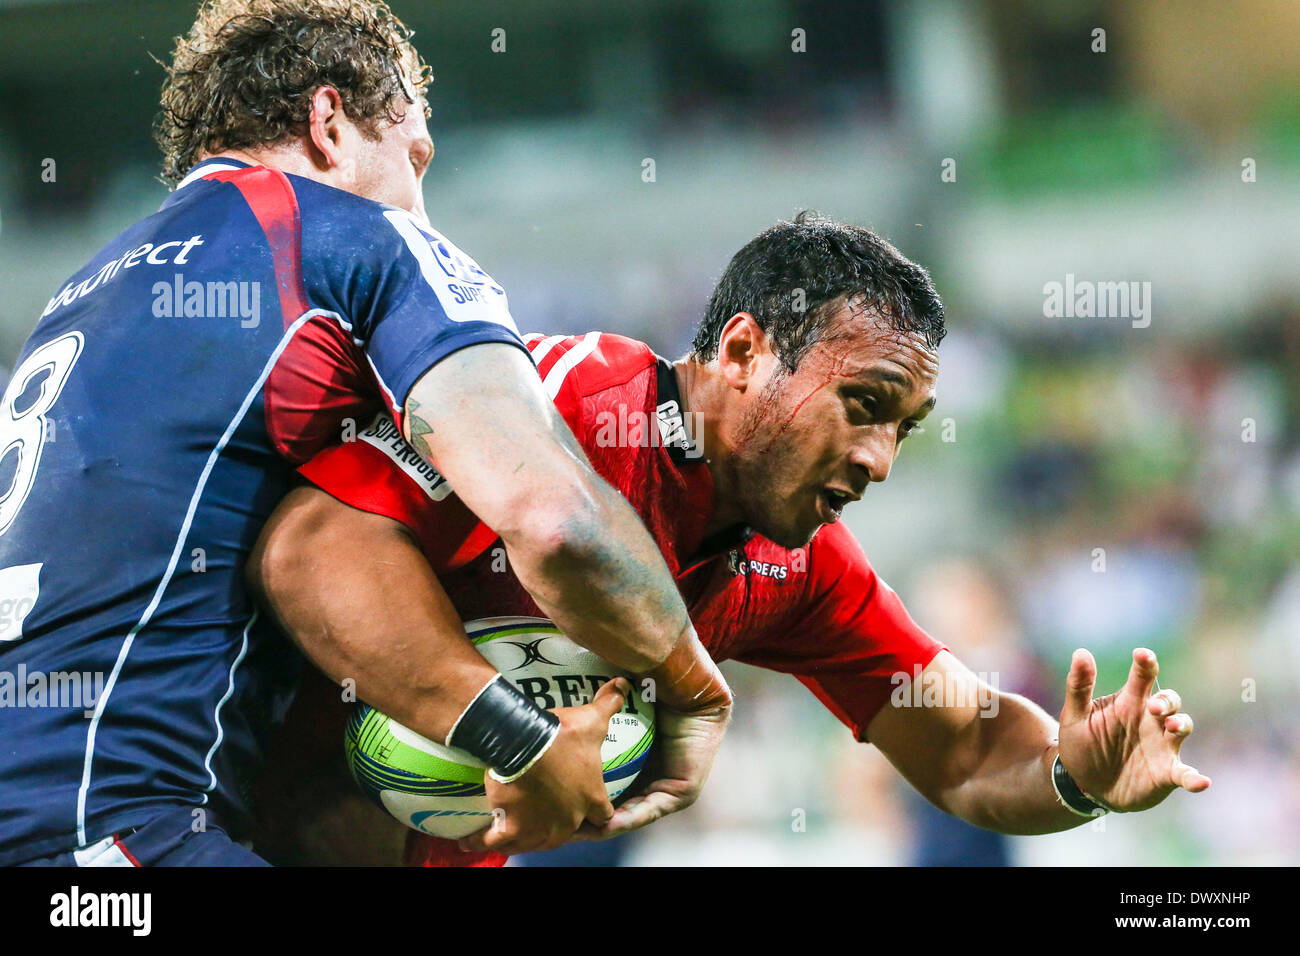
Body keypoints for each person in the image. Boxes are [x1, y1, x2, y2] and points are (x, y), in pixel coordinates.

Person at [0, 0, 727, 868]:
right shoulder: (353, 241)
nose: (422, 202)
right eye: (415, 158)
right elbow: (554, 517)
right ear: (330, 123)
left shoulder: (82, 292)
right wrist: (689, 693)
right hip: (122, 836)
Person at [250, 212, 1211, 866]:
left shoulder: (799, 564)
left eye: (904, 429)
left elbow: (963, 747)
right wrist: (515, 734)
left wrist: (1073, 776)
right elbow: (307, 552)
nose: (879, 460)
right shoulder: (556, 409)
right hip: (218, 825)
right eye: (864, 405)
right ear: (745, 352)